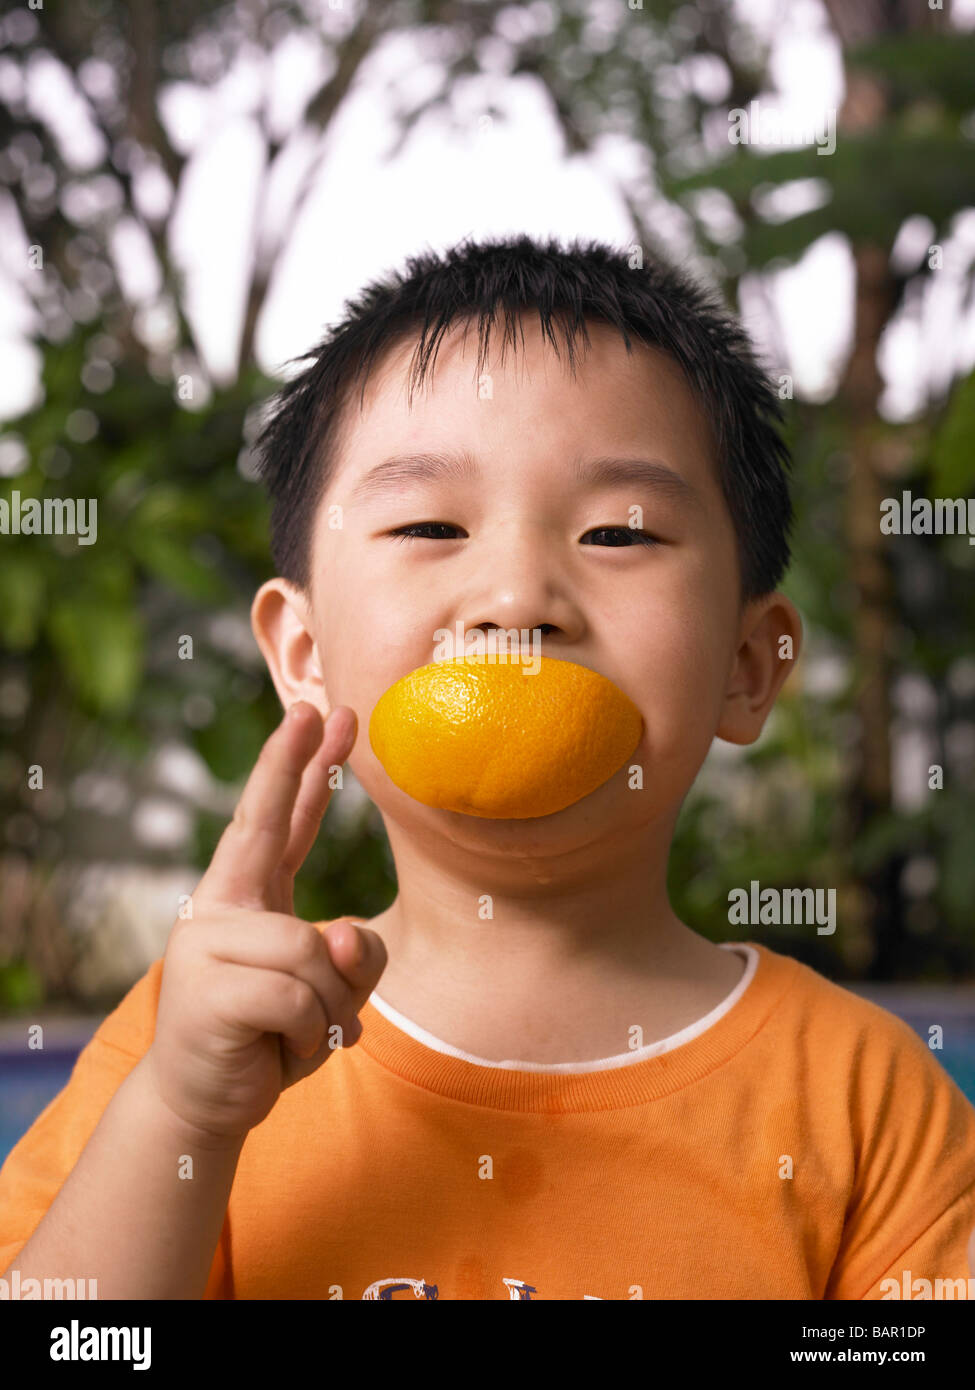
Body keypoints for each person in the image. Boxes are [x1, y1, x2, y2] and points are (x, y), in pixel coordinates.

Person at [2, 235, 973, 1300]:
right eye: (428, 524)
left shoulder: (864, 1096)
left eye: (617, 533)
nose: (515, 596)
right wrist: (182, 1117)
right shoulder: (196, 1041)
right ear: (307, 657)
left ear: (748, 665)